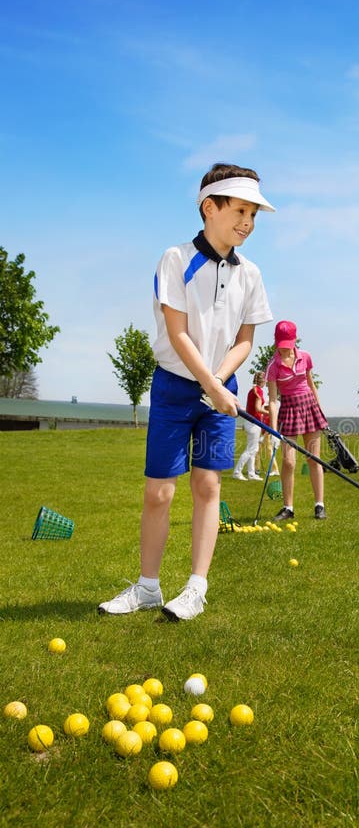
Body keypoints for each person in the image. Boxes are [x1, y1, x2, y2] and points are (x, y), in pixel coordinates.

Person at [98, 163, 274, 621]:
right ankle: (148, 587)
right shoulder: (175, 259)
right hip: (176, 386)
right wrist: (211, 384)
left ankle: (197, 587)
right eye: (239, 211)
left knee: (208, 482)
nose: (247, 223)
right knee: (159, 492)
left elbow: (245, 340)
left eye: (253, 214)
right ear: (208, 207)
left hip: (222, 387)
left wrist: (220, 383)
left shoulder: (250, 274)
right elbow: (177, 334)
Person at [265, 320, 328, 520]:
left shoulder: (305, 357)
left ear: (294, 341)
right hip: (289, 409)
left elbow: (311, 384)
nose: (284, 349)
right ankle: (288, 508)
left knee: (313, 458)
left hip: (309, 406)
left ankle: (319, 505)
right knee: (289, 462)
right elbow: (273, 400)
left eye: (287, 344)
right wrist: (274, 430)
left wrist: (319, 411)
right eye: (280, 344)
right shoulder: (273, 366)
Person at [232, 372, 267, 481]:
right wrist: (271, 413)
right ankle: (237, 472)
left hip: (249, 423)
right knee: (251, 449)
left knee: (253, 449)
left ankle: (251, 474)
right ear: (263, 381)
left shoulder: (252, 391)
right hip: (254, 423)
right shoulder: (259, 391)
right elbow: (258, 409)